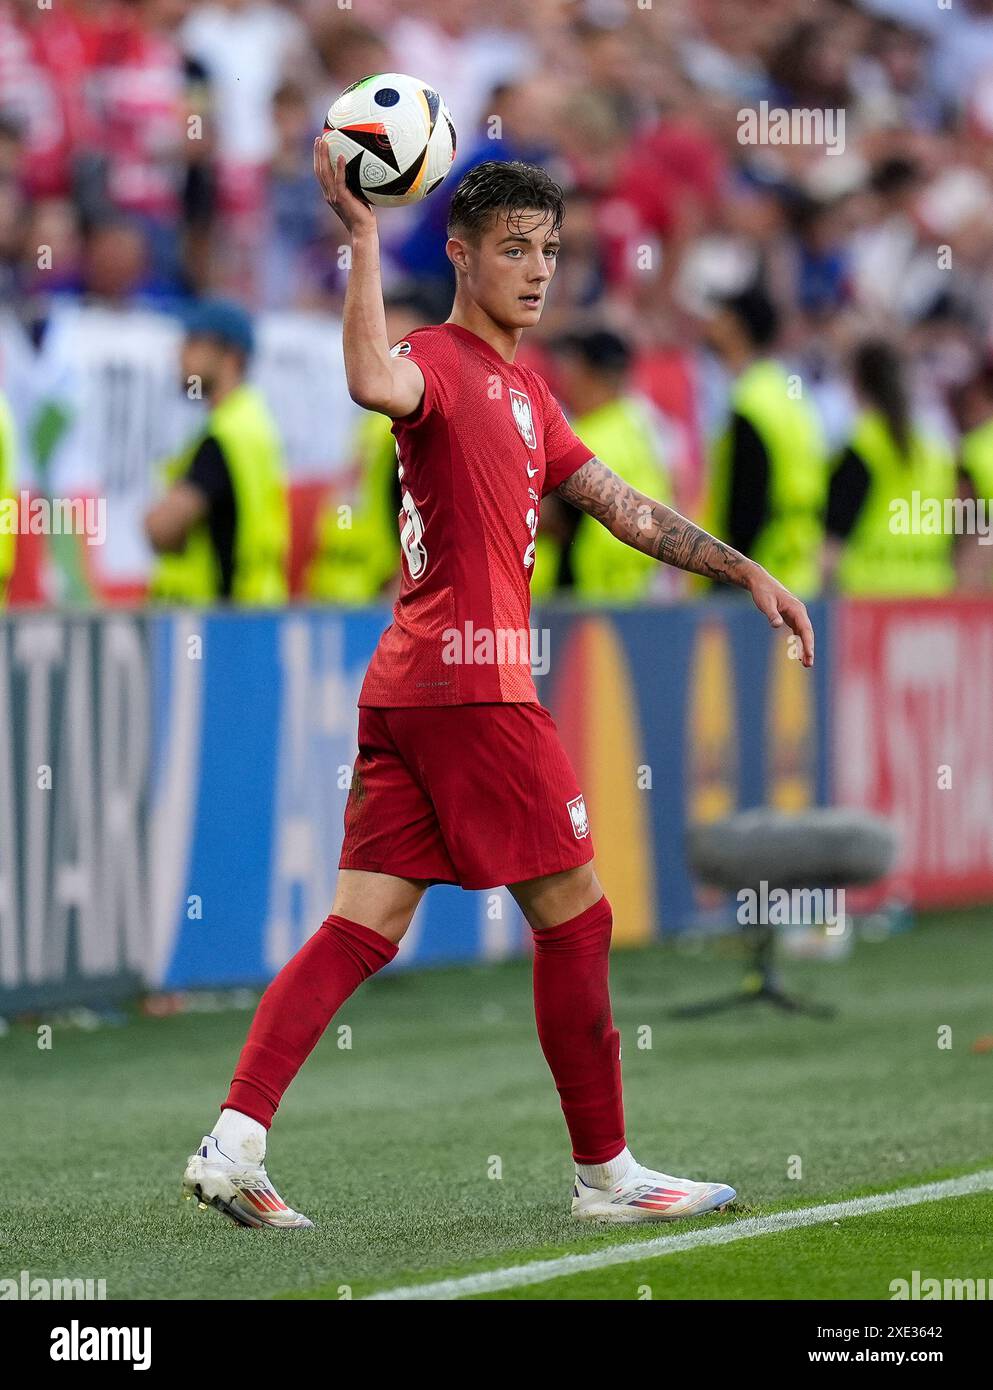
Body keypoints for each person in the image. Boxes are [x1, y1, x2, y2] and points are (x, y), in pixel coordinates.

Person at [182, 151, 814, 1229]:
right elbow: (372, 379)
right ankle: (607, 1173)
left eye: (550, 250)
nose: (536, 270)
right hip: (475, 688)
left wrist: (744, 568)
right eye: (513, 248)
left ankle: (232, 1143)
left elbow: (623, 507)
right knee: (577, 916)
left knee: (361, 924)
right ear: (464, 255)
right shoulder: (433, 359)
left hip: (409, 688)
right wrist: (367, 242)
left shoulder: (527, 391)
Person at [145, 299, 289, 604]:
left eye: (195, 342)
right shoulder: (251, 420)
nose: (180, 354)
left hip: (224, 624)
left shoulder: (226, 434)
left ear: (231, 357)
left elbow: (161, 528)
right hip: (254, 609)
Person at [703, 285, 828, 598]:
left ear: (736, 327)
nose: (711, 323)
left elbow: (745, 504)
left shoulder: (750, 402)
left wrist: (727, 575)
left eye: (722, 315)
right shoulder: (788, 392)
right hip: (797, 570)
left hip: (757, 581)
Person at [534, 326, 676, 601]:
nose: (565, 377)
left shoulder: (585, 439)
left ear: (589, 375)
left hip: (586, 601)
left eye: (572, 366)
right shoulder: (642, 428)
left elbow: (546, 518)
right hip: (639, 593)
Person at [823, 339, 956, 595]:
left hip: (869, 598)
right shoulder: (937, 449)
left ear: (856, 382)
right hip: (932, 596)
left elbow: (831, 546)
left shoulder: (861, 446)